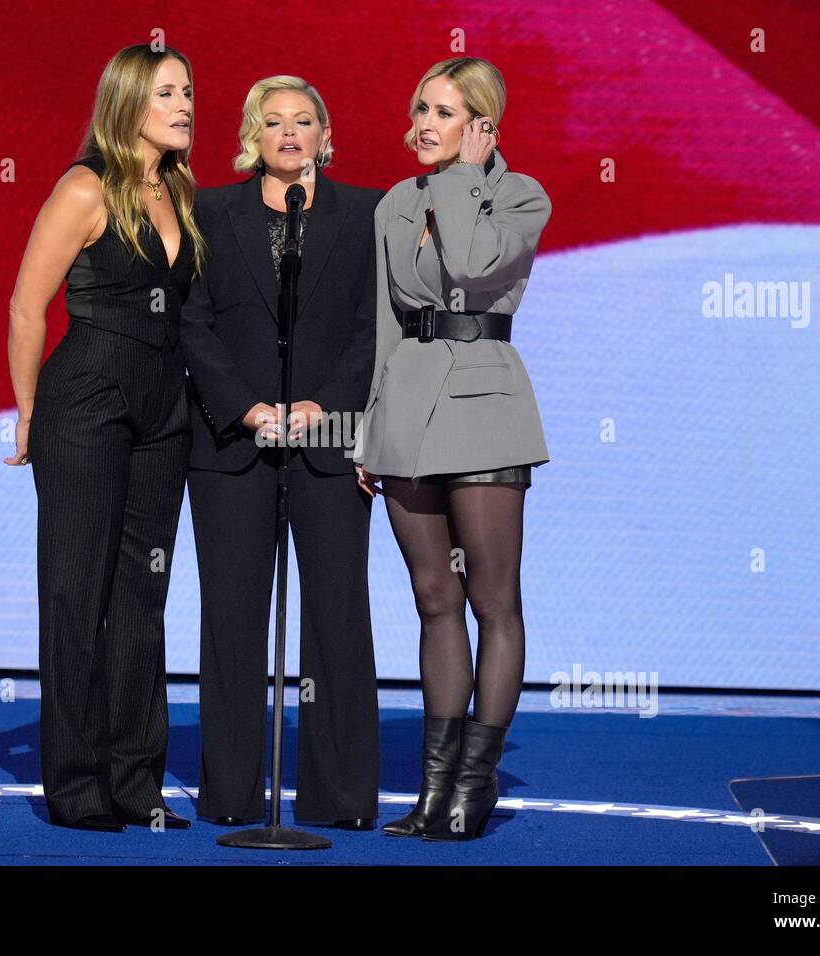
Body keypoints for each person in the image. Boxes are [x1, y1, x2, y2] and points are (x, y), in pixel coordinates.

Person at [5, 44, 206, 832]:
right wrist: (27, 411)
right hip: (85, 399)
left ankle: (135, 780)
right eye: (167, 93)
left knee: (141, 597)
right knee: (76, 592)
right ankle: (76, 785)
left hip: (164, 410)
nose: (185, 105)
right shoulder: (85, 187)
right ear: (128, 104)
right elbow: (28, 305)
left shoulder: (181, 190)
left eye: (188, 91)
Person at [352, 57, 553, 841]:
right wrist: (370, 426)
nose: (425, 123)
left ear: (482, 125)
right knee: (434, 599)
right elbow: (384, 322)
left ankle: (475, 785)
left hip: (487, 404)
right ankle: (433, 792)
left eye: (446, 111)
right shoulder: (394, 203)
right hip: (407, 409)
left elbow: (472, 266)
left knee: (491, 601)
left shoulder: (519, 195)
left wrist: (465, 178)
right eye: (422, 107)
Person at [180, 76, 383, 829]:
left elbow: (374, 326)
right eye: (273, 122)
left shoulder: (365, 213)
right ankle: (232, 794)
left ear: (326, 135)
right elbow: (193, 324)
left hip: (328, 444)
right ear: (251, 136)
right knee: (232, 622)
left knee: (337, 616)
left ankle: (337, 797)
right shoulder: (209, 211)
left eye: (304, 121)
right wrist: (247, 407)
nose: (289, 133)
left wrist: (318, 405)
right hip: (235, 444)